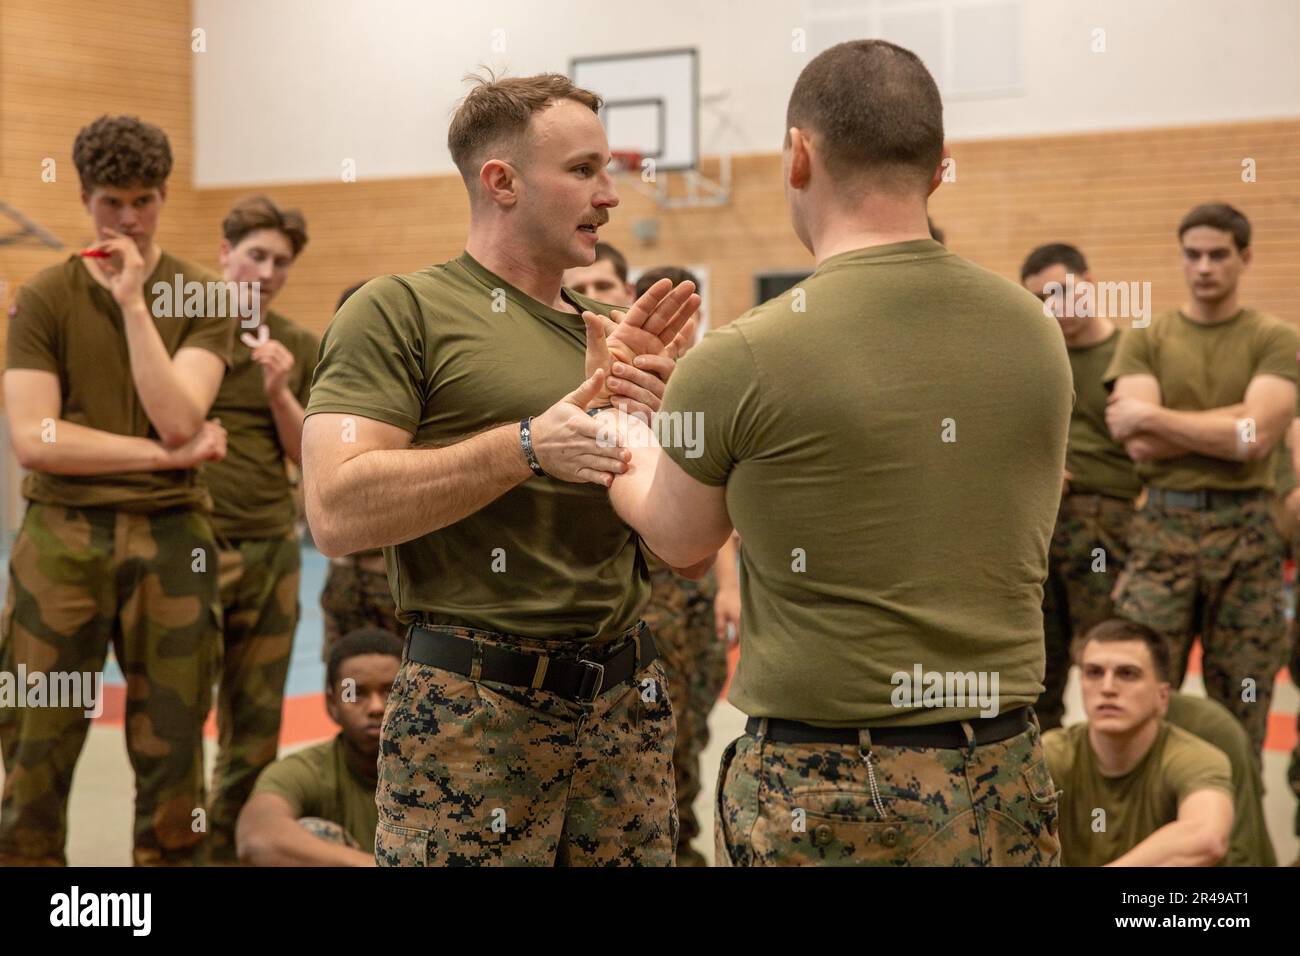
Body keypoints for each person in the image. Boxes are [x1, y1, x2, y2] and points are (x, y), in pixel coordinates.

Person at [597, 39, 1072, 866]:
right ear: (939, 166)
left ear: (798, 155)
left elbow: (677, 539)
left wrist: (630, 426)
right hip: (1003, 770)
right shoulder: (1035, 332)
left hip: (825, 787)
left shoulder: (741, 355)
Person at [301, 72, 700, 866]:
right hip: (471, 715)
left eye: (608, 171)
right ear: (501, 181)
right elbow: (337, 510)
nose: (611, 195)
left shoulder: (620, 337)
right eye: (584, 170)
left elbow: (685, 551)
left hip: (625, 709)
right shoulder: (399, 311)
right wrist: (523, 445)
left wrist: (660, 427)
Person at [0, 114, 232, 865]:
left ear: (163, 196)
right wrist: (166, 458)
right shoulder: (44, 298)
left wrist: (135, 302)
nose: (128, 220)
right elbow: (37, 441)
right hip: (62, 538)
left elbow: (178, 417)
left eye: (143, 201)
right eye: (111, 203)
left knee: (172, 753)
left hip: (173, 541)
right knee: (35, 744)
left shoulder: (203, 297)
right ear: (83, 197)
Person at [1105, 202, 1299, 757]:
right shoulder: (1147, 337)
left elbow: (1256, 438)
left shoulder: (1275, 338)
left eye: (1218, 254)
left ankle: (1236, 838)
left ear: (1245, 257)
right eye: (1193, 255)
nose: (1204, 267)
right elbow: (1136, 441)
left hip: (1248, 536)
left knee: (1243, 705)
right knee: (1140, 688)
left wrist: (1155, 417)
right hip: (1163, 529)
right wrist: (1231, 422)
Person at [204, 195, 321, 863]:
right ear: (224, 254)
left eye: (280, 261)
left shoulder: (297, 344)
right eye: (255, 254)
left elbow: (308, 455)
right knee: (172, 719)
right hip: (185, 546)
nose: (267, 270)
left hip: (270, 546)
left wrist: (280, 390)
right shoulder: (179, 330)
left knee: (253, 727)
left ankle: (225, 853)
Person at [1020, 243, 1139, 729]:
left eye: (1062, 292)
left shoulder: (1131, 354)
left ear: (1088, 283)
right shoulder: (1035, 357)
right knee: (1035, 670)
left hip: (1106, 527)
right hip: (1037, 527)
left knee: (1102, 662)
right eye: (1041, 299)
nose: (1055, 308)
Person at [1043, 619, 1234, 866]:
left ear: (1162, 697)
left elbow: (1207, 838)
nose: (1108, 687)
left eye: (1127, 674)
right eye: (1094, 673)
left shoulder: (1194, 758)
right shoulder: (1054, 753)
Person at [236, 627, 402, 866]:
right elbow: (257, 837)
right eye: (355, 693)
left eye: (390, 691)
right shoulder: (309, 770)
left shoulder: (445, 767)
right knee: (313, 832)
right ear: (331, 703)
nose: (376, 707)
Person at [315, 282, 404, 663]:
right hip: (344, 570)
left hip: (395, 569)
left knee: (404, 674)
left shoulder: (410, 387)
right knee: (345, 677)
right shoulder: (329, 388)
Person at [1164, 691, 1277, 866]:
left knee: (1245, 693)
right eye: (1102, 673)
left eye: (1127, 674)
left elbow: (1216, 843)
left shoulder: (1210, 734)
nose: (1108, 688)